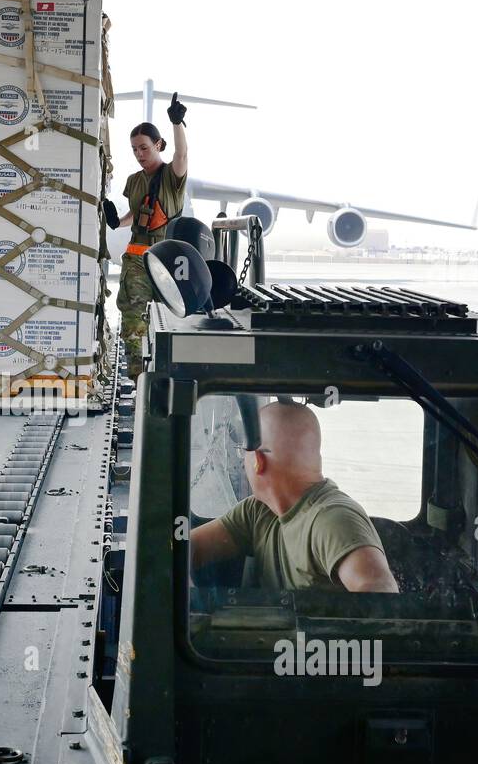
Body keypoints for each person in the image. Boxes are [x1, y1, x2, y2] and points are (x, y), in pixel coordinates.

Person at [192, 401, 400, 593]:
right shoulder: (258, 511)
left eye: (242, 452)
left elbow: (380, 594)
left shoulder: (332, 519)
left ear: (258, 461)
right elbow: (185, 547)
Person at [103, 93, 189, 378]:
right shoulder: (134, 181)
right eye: (134, 150)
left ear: (158, 145)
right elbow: (138, 215)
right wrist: (118, 222)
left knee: (165, 320)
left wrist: (177, 124)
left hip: (164, 262)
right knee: (132, 319)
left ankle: (165, 375)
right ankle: (139, 379)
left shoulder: (171, 178)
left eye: (144, 148)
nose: (139, 154)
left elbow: (182, 156)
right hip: (137, 261)